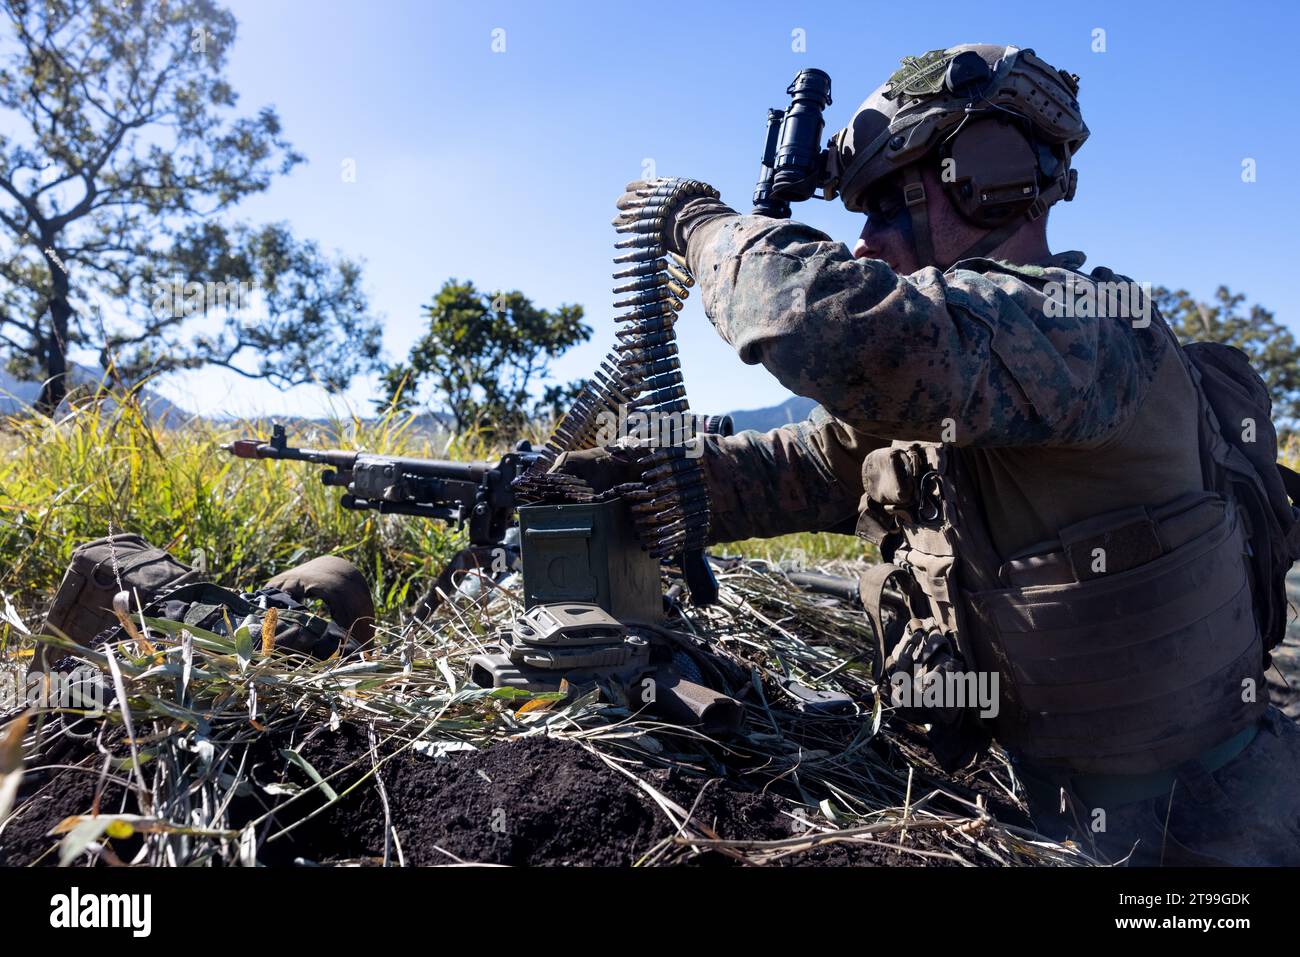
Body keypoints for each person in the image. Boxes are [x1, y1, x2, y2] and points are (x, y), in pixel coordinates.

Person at [553, 44, 1300, 865]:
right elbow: (806, 467)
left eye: (884, 207)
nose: (866, 243)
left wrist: (703, 227)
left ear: (988, 178)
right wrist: (622, 487)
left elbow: (834, 330)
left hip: (1209, 833)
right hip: (1050, 811)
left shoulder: (1092, 333)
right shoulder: (954, 389)